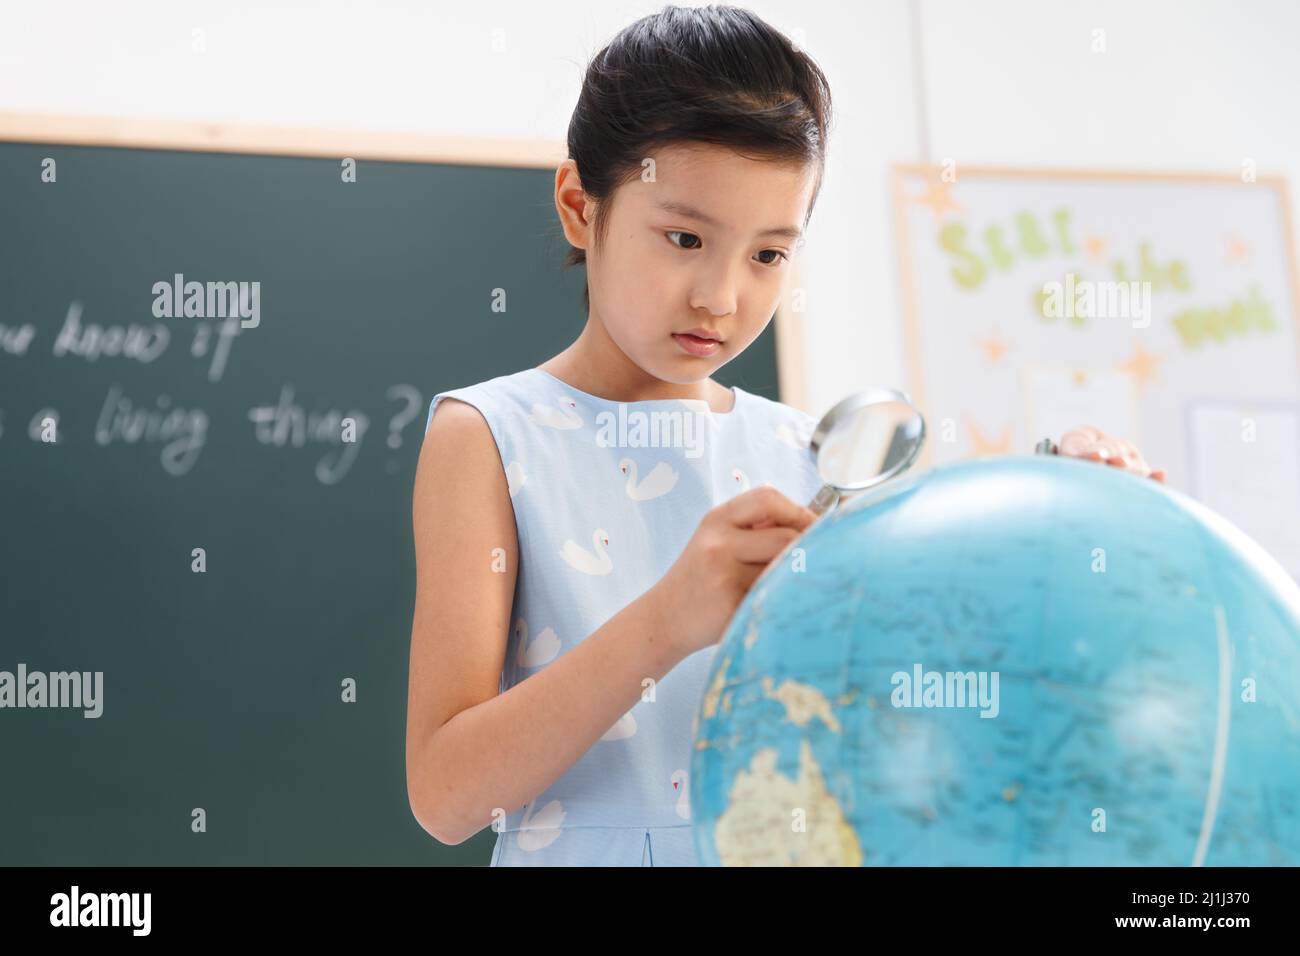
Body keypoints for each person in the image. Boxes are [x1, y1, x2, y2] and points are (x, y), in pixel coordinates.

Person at [405, 4, 1164, 867]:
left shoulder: (813, 455)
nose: (721, 297)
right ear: (582, 207)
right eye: (685, 237)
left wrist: (1063, 505)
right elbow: (444, 795)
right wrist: (665, 622)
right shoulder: (490, 437)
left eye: (769, 254)